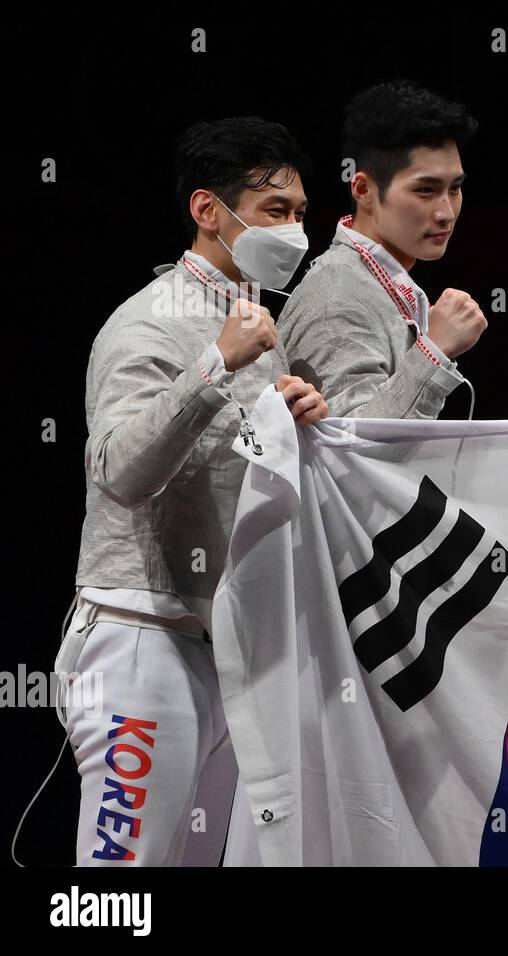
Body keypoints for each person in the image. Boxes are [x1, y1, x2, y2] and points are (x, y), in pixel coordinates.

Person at [58, 117, 330, 865]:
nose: (295, 231)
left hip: (228, 651)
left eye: (302, 213)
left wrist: (300, 419)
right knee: (119, 884)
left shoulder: (257, 328)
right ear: (209, 210)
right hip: (139, 645)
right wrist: (213, 369)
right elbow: (117, 471)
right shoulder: (148, 324)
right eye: (276, 211)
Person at [279, 80, 486, 419]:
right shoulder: (337, 299)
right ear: (363, 189)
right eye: (426, 190)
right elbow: (353, 453)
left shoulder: (374, 281)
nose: (446, 212)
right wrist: (433, 351)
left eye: (455, 188)